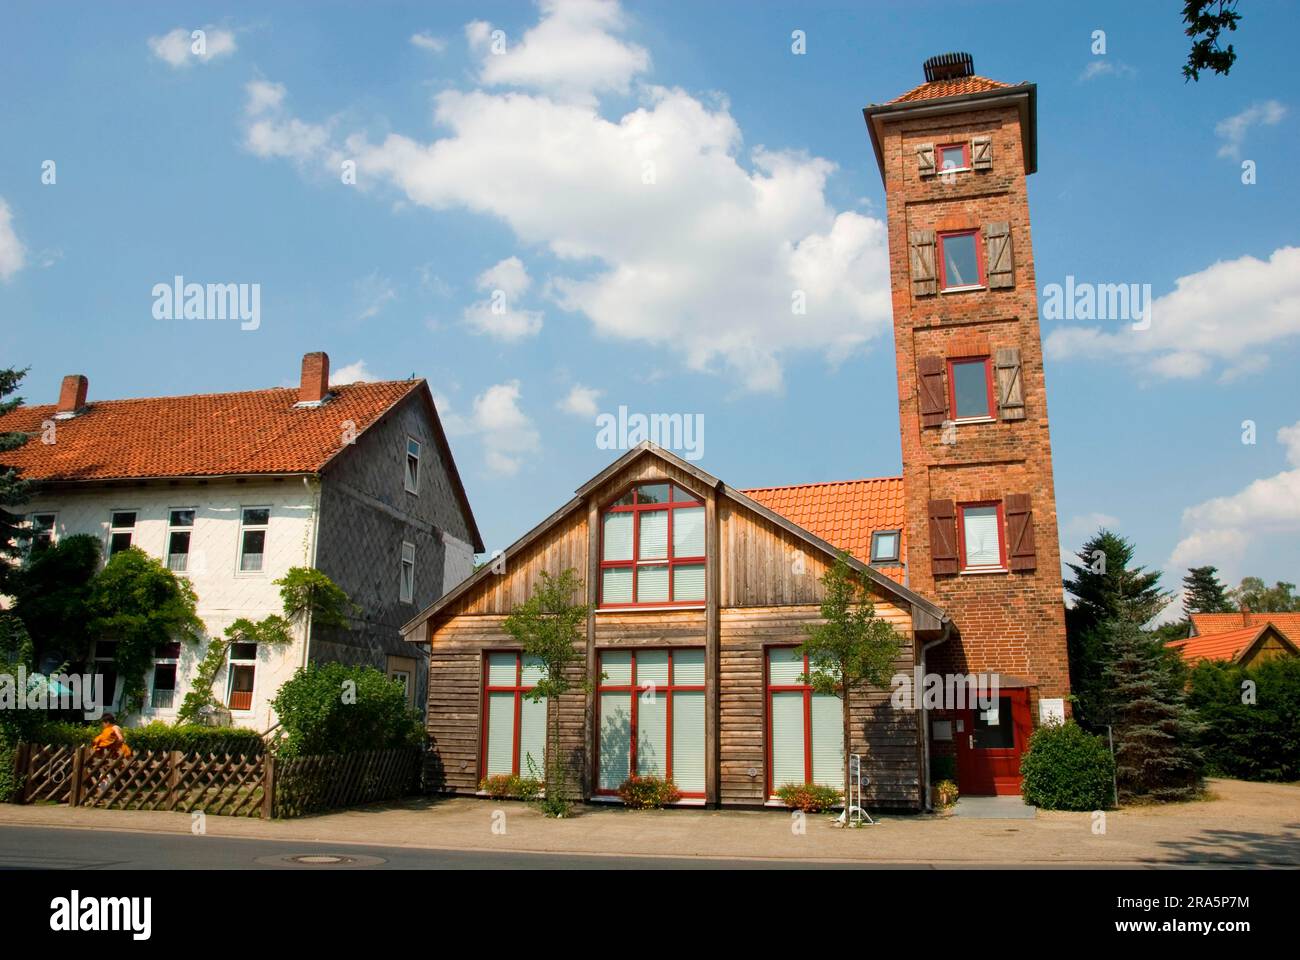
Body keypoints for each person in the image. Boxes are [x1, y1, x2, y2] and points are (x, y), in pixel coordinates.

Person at [90, 713, 132, 795]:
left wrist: (112, 745)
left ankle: (106, 790)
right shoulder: (111, 728)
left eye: (103, 723)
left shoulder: (114, 728)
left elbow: (121, 739)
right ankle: (107, 789)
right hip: (114, 753)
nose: (102, 725)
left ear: (107, 722)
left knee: (109, 770)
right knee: (109, 770)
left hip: (119, 752)